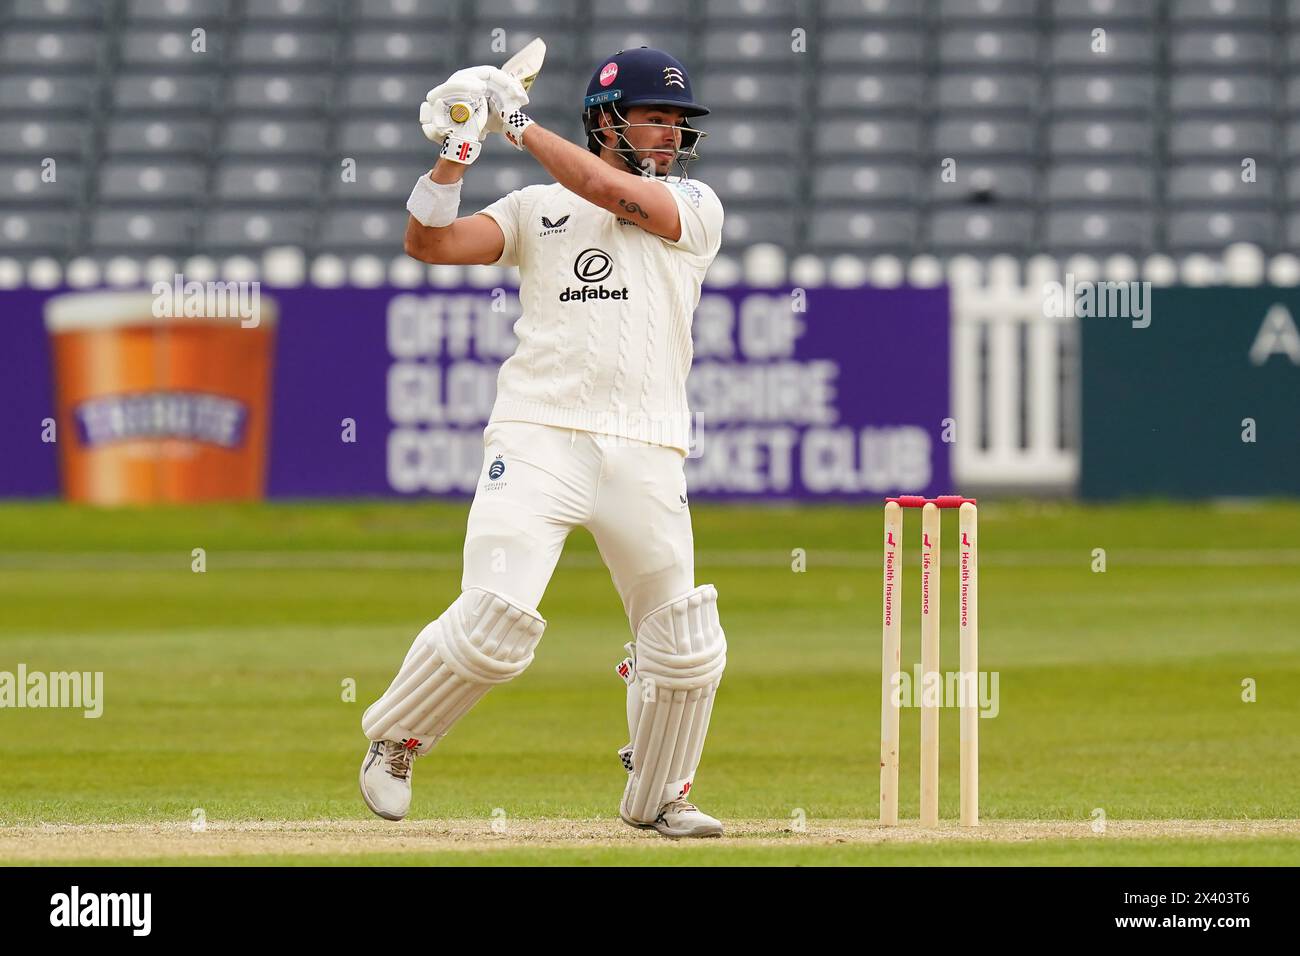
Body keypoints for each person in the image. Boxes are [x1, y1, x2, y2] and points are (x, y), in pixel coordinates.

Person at [359, 47, 727, 838]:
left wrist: (515, 122)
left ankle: (660, 795)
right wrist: (456, 156)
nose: (667, 133)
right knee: (495, 620)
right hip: (537, 436)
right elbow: (430, 245)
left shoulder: (695, 203)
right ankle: (396, 740)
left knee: (684, 643)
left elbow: (605, 190)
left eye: (675, 121)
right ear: (605, 119)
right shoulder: (534, 209)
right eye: (651, 116)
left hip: (648, 446)